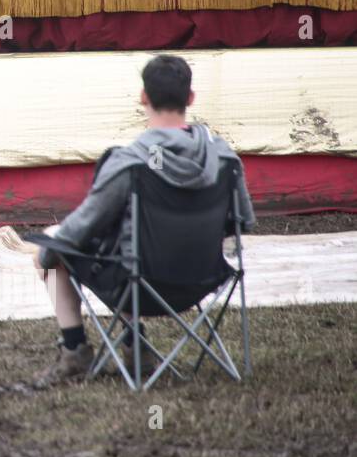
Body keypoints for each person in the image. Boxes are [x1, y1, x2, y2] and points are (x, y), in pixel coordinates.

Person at [30, 54, 256, 386]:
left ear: (143, 98)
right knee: (129, 245)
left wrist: (47, 255)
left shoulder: (130, 162)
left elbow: (83, 226)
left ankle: (76, 349)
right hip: (203, 281)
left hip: (140, 285)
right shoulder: (225, 158)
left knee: (60, 241)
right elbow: (243, 221)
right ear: (190, 98)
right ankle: (136, 346)